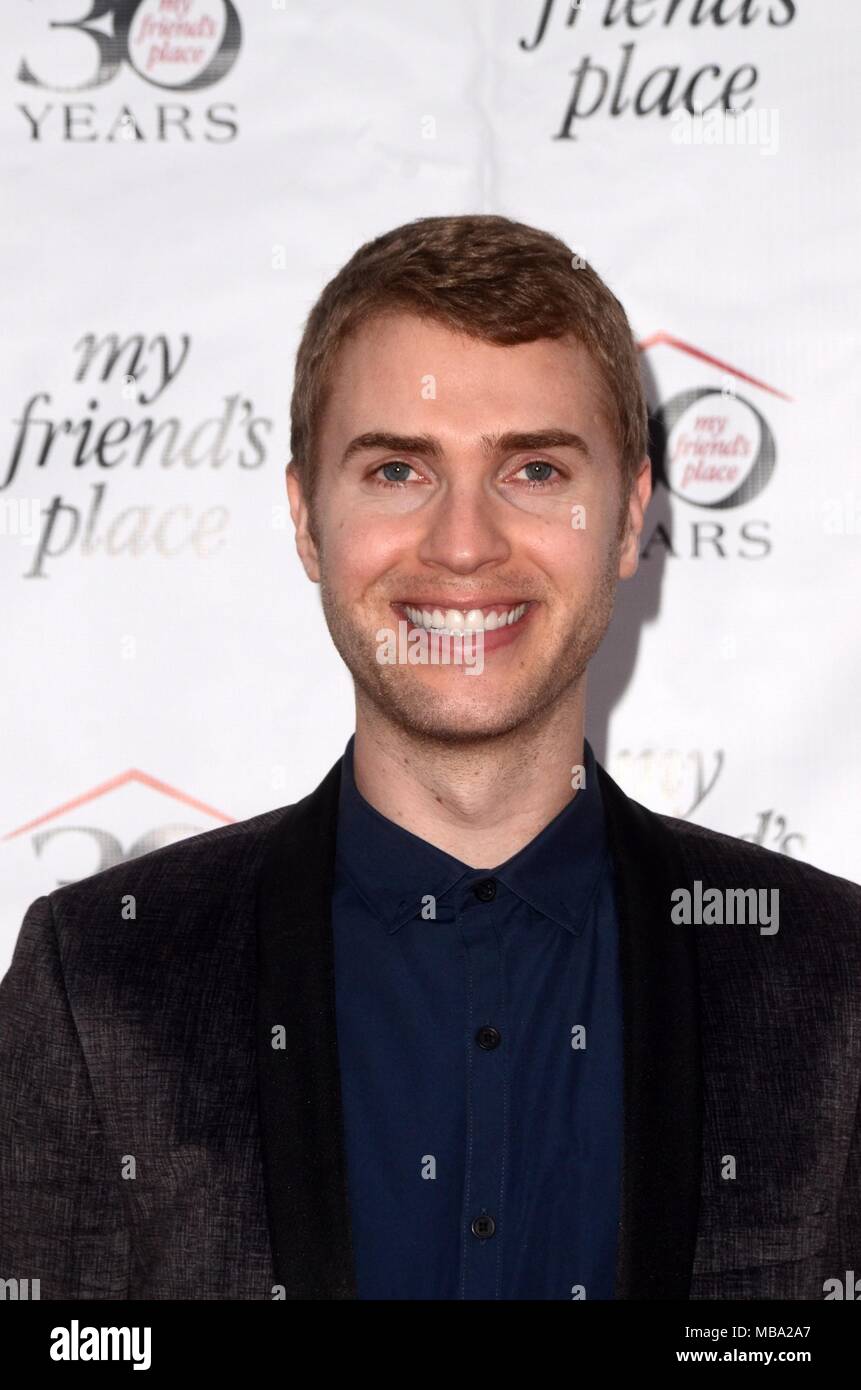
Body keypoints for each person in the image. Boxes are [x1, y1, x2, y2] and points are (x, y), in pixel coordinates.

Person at [1, 215, 858, 1301]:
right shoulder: (101, 982)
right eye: (400, 468)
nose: (464, 543)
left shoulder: (833, 985)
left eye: (536, 469)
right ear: (308, 518)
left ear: (631, 516)